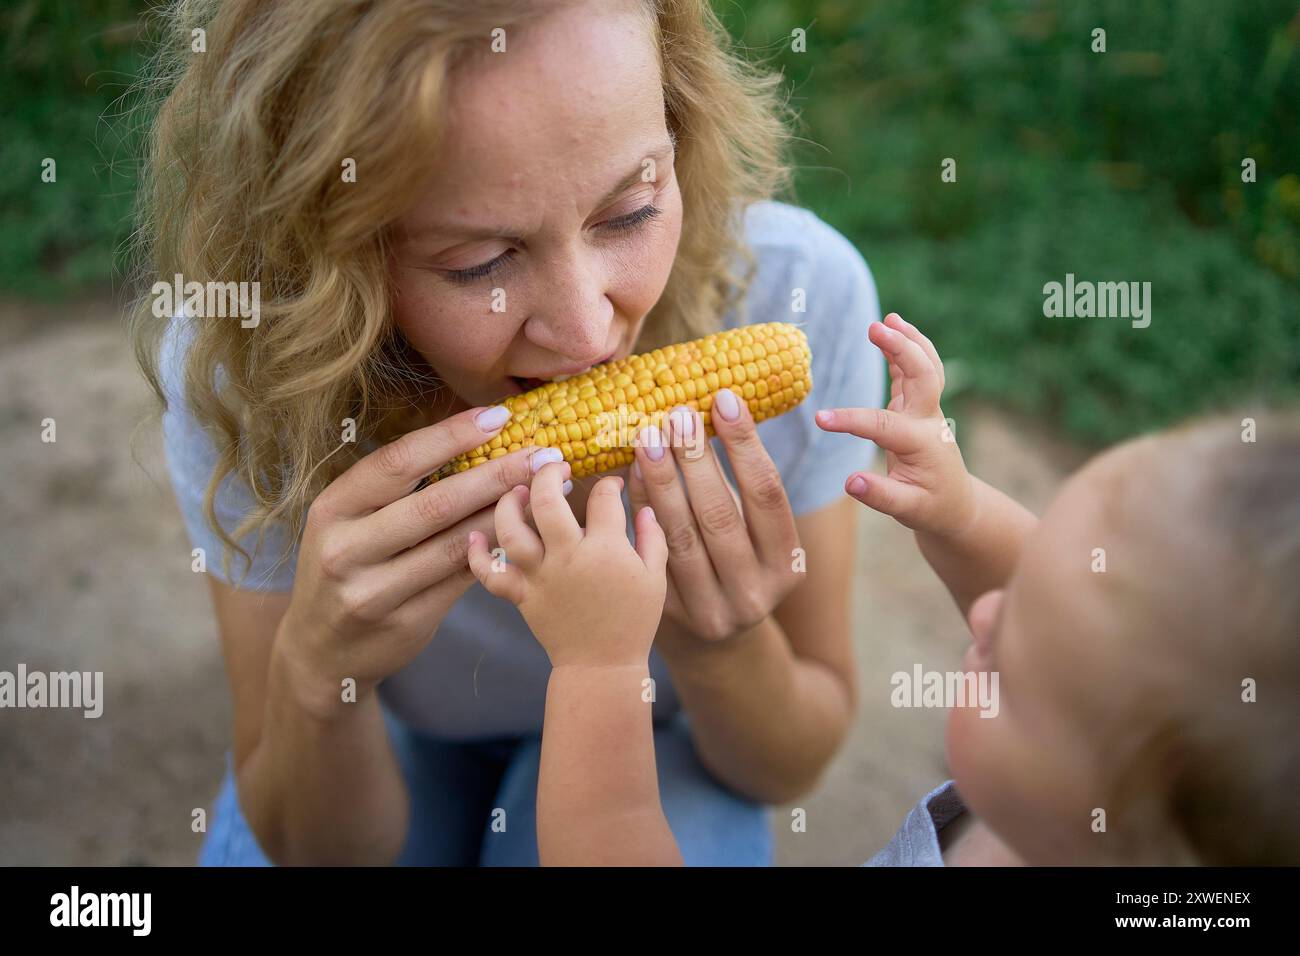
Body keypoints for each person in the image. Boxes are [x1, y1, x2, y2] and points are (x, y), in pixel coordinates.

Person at [131, 0, 884, 865]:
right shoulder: (255, 365)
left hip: (659, 734)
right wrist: (317, 685)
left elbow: (790, 765)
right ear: (327, 257)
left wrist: (719, 650)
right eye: (478, 263)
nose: (584, 328)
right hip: (400, 740)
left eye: (631, 211)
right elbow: (315, 850)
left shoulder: (802, 293)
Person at [482, 311, 1300, 866]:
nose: (983, 610)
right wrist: (962, 510)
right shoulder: (1097, 817)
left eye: (1010, 669)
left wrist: (598, 668)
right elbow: (1080, 630)